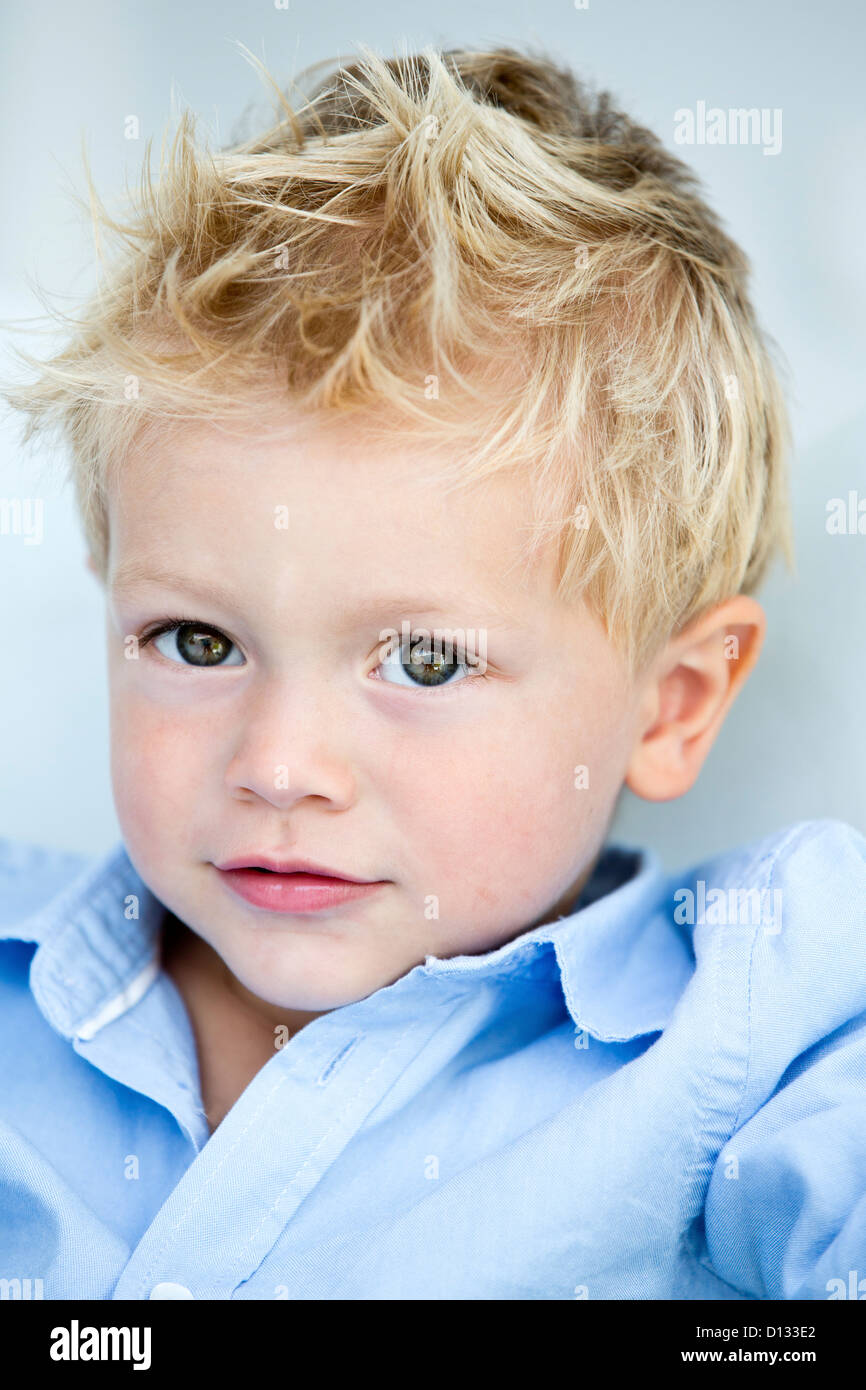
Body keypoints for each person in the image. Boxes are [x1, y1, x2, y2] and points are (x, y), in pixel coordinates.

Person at [1, 43, 864, 1301]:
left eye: (421, 659)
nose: (280, 766)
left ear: (671, 706)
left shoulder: (761, 1047)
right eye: (197, 642)